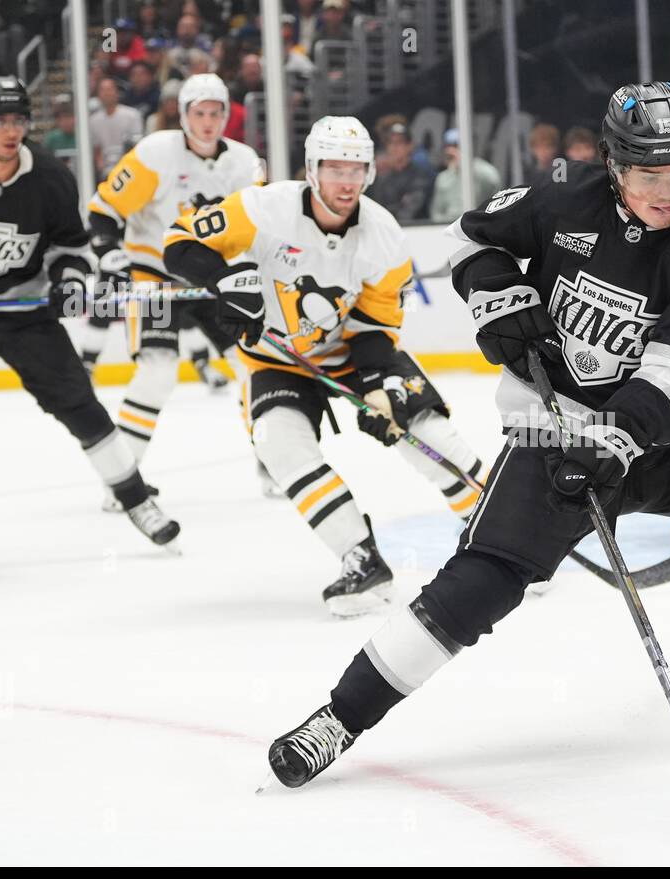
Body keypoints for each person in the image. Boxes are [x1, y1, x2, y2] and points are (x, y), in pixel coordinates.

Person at [265, 82, 670, 790]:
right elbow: (470, 236)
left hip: (656, 443)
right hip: (549, 439)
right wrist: (500, 296)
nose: (667, 189)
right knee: (479, 585)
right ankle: (340, 718)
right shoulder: (562, 201)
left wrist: (611, 440)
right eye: (649, 173)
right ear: (614, 166)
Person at [163, 117, 491, 616]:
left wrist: (381, 386)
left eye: (356, 169)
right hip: (275, 357)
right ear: (312, 170)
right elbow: (179, 242)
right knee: (279, 444)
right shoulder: (261, 207)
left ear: (370, 173)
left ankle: (498, 541)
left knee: (425, 428)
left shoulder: (383, 235)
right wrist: (227, 280)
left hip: (350, 351)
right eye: (335, 168)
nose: (346, 181)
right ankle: (360, 558)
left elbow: (377, 323)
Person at [0, 78, 179, 562]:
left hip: (24, 312)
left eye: (16, 120)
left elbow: (71, 247)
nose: (9, 130)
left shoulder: (50, 177)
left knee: (81, 405)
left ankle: (138, 501)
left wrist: (70, 282)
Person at [83, 73, 264, 504]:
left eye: (215, 112)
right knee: (159, 369)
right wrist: (109, 254)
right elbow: (104, 209)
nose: (207, 122)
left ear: (226, 115)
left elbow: (260, 226)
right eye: (198, 113)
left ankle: (272, 459)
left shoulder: (244, 163)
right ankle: (122, 481)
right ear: (182, 115)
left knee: (252, 367)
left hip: (213, 276)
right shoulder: (154, 153)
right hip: (154, 276)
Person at [428, 128, 504, 221]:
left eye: (456, 146)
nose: (450, 151)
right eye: (448, 146)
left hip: (478, 224)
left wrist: (465, 164)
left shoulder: (485, 171)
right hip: (449, 226)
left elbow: (493, 190)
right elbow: (436, 213)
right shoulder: (443, 177)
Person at [367, 119, 435, 222]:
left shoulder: (421, 175)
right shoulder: (383, 179)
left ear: (410, 146)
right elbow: (377, 210)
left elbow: (411, 210)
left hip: (417, 231)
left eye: (399, 142)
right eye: (390, 143)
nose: (394, 147)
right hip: (387, 229)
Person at [89, 76, 144, 178]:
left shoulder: (132, 115)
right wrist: (100, 165)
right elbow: (96, 149)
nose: (106, 93)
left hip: (130, 168)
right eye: (103, 90)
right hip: (105, 171)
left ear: (116, 92)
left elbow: (137, 144)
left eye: (109, 89)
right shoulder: (93, 120)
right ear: (98, 95)